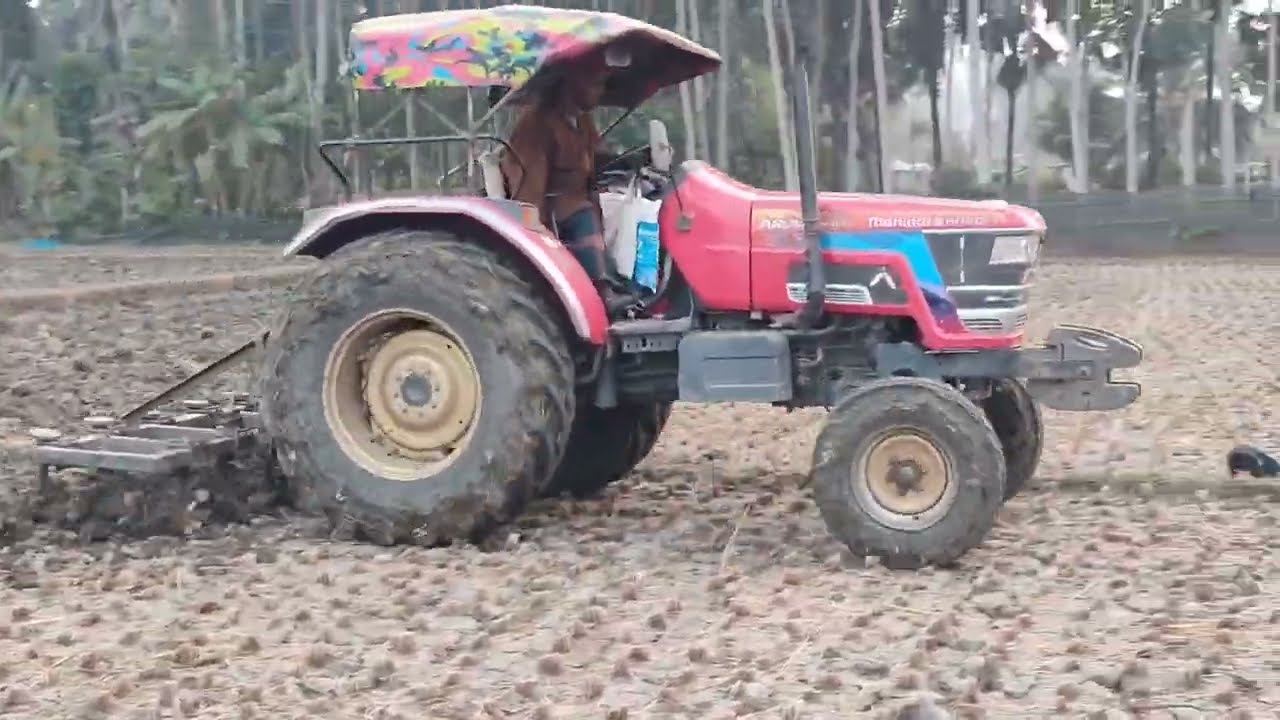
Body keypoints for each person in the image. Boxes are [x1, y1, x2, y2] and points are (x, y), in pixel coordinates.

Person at [500, 53, 636, 314]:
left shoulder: (580, 119)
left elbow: (594, 156)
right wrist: (535, 234)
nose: (601, 91)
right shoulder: (536, 125)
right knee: (583, 214)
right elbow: (529, 184)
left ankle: (624, 280)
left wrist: (630, 160)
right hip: (557, 209)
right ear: (571, 83)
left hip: (584, 198)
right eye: (595, 84)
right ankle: (601, 289)